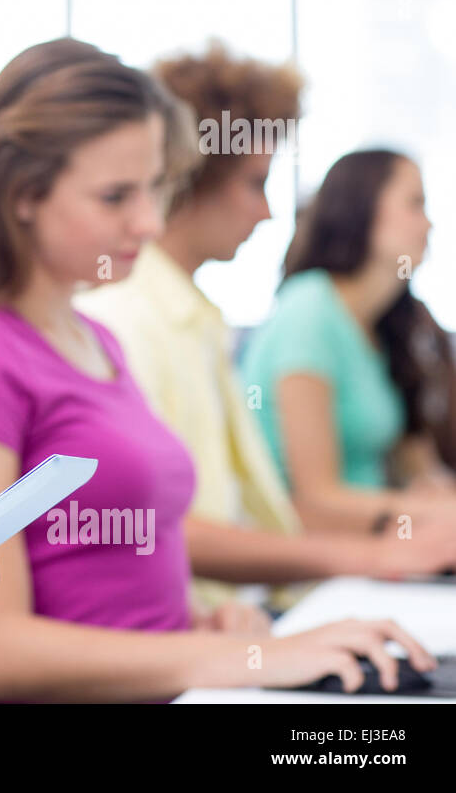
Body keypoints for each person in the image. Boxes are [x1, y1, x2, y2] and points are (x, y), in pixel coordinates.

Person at [0, 37, 438, 703]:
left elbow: (107, 585)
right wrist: (236, 656)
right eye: (115, 197)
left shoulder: (97, 339)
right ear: (21, 194)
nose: (150, 221)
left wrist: (207, 626)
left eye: (156, 188)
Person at [75, 43, 456, 617]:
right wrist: (381, 548)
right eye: (256, 182)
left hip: (249, 609)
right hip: (221, 620)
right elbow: (167, 530)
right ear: (191, 178)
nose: (270, 213)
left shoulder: (195, 319)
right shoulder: (127, 322)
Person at [241, 148, 456, 536]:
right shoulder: (309, 313)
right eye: (415, 204)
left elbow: (421, 468)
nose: (429, 224)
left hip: (372, 554)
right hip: (309, 570)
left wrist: (434, 494)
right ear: (363, 207)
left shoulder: (390, 323)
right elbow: (315, 499)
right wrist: (425, 512)